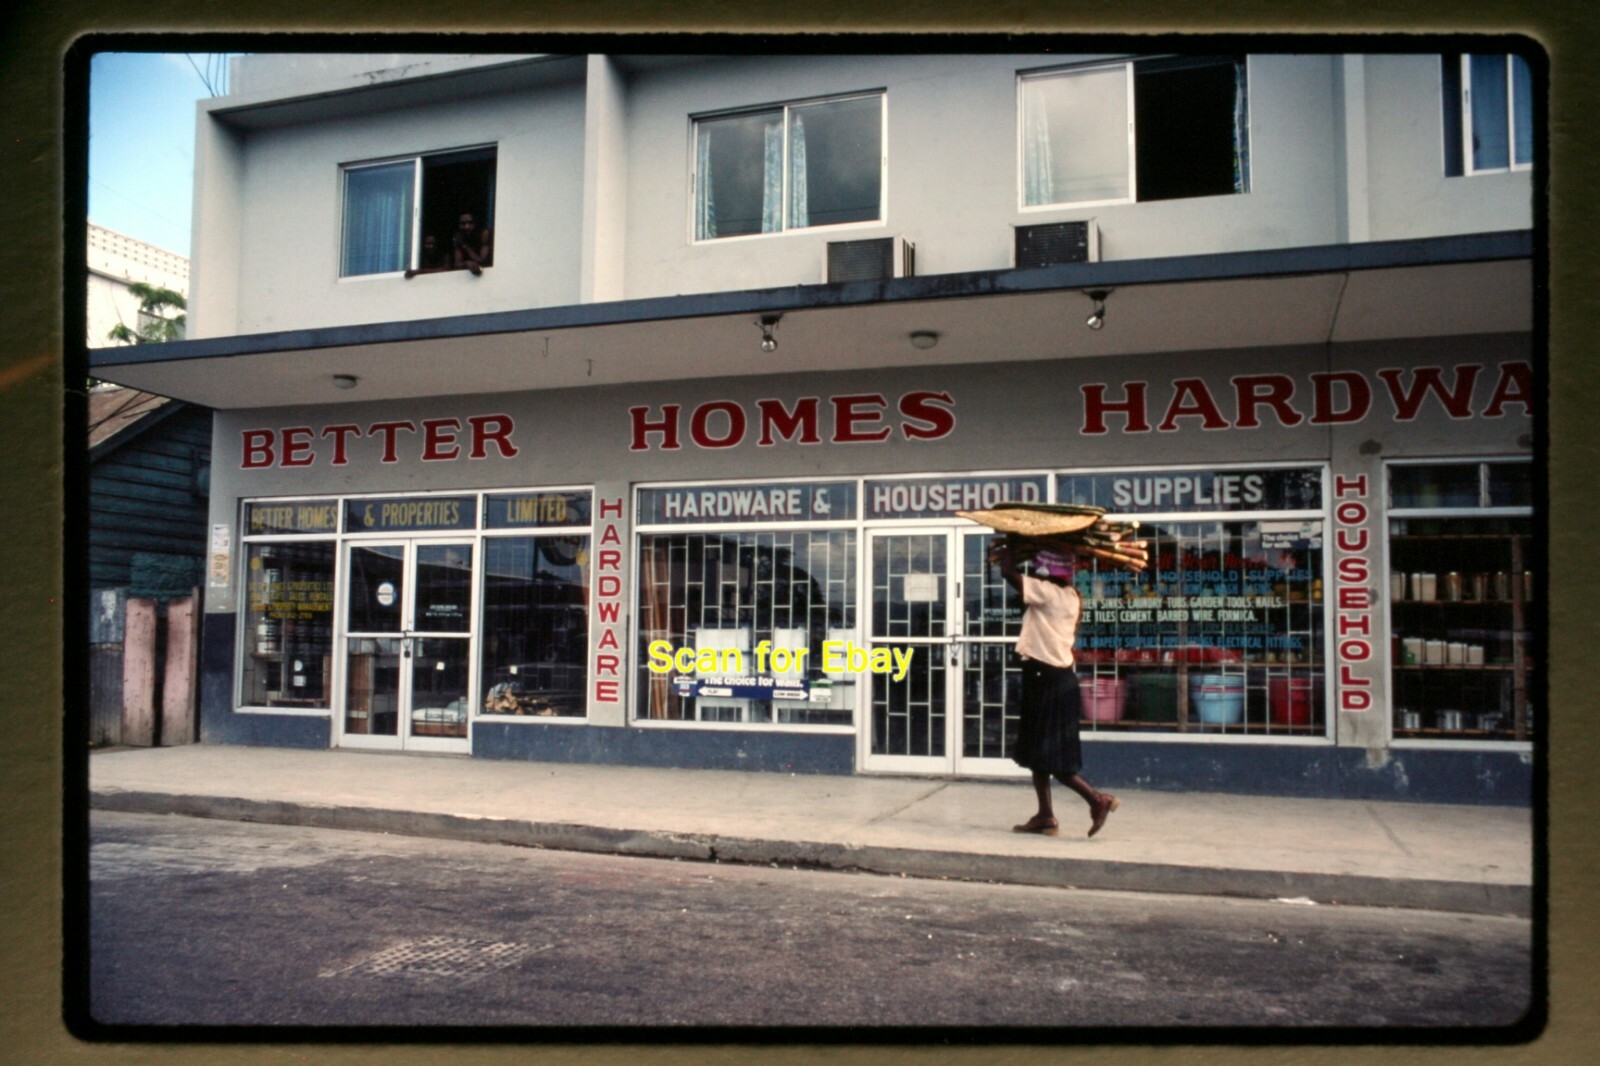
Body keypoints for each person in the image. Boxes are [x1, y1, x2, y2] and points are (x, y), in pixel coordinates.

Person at [991, 536, 1120, 838]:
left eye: (1038, 567)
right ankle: (1045, 816)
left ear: (1046, 571)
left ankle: (1097, 799)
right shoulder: (1072, 595)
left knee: (1052, 756)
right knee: (1036, 753)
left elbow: (1008, 574)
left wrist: (1011, 544)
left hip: (1045, 679)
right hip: (1057, 679)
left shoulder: (1047, 593)